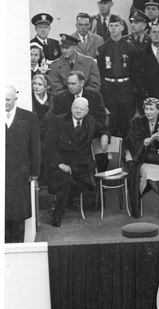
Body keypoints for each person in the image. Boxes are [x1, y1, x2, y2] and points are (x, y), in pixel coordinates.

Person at [44, 97, 108, 227]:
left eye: (81, 109)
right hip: (60, 163)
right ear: (71, 107)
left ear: (87, 111)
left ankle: (57, 204)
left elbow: (104, 129)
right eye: (75, 107)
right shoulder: (58, 120)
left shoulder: (90, 121)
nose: (78, 111)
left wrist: (105, 136)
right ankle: (58, 215)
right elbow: (49, 145)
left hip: (80, 165)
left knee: (86, 182)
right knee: (66, 181)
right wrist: (60, 164)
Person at [5, 86, 40, 243]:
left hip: (20, 173)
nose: (4, 103)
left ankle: (18, 248)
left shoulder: (29, 117)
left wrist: (34, 171)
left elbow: (35, 146)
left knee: (18, 214)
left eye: (8, 100)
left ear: (15, 99)